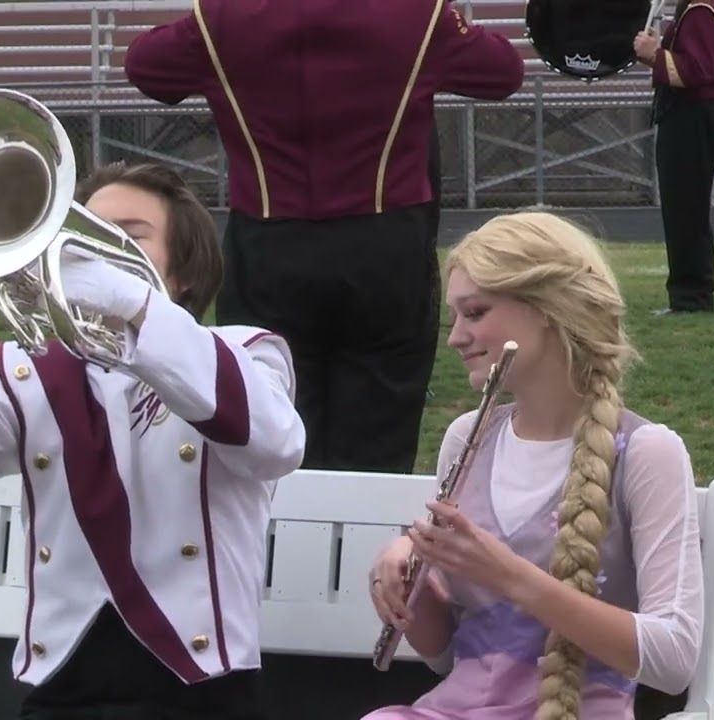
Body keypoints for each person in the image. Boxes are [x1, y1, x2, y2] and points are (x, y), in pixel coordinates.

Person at [0, 161, 307, 720]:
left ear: (183, 275)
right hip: (62, 691)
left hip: (204, 694)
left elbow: (275, 444)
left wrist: (134, 304)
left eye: (130, 236)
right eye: (81, 231)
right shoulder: (33, 376)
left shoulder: (241, 354)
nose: (94, 250)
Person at [124, 0, 524, 474]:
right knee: (380, 430)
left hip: (270, 245)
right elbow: (503, 71)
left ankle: (280, 544)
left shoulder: (222, 17)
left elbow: (144, 65)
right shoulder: (416, 13)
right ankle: (362, 543)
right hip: (384, 246)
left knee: (269, 423)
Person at [363, 211, 704, 718]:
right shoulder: (466, 440)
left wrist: (513, 577)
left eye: (475, 313)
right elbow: (447, 658)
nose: (456, 337)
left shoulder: (645, 452)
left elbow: (675, 659)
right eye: (452, 318)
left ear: (548, 309)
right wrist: (404, 587)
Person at [634, 0, 714, 315]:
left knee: (685, 211)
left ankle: (690, 298)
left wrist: (654, 54)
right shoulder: (704, 10)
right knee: (686, 210)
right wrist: (652, 55)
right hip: (693, 115)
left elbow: (696, 70)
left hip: (691, 116)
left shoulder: (701, 12)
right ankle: (690, 294)